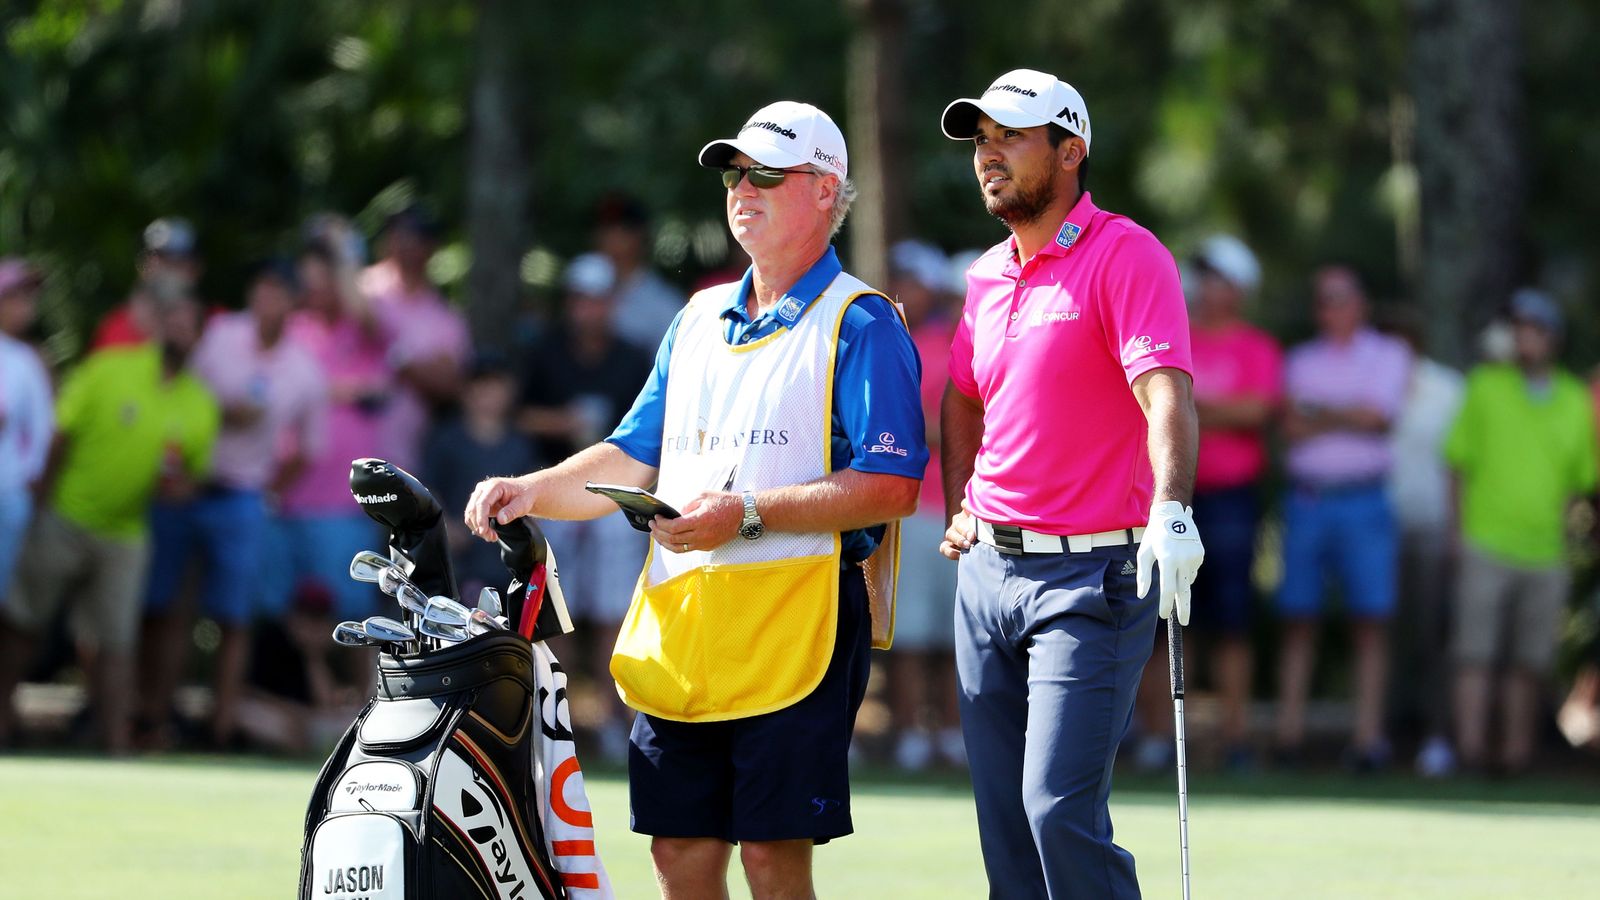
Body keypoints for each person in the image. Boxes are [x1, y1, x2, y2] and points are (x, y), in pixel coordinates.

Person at [465, 100, 926, 899]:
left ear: (826, 190)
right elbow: (631, 455)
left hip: (799, 618)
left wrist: (744, 514)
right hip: (686, 621)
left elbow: (893, 486)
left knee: (772, 858)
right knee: (678, 850)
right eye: (735, 174)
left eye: (767, 175)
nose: (743, 189)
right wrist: (531, 490)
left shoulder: (863, 321)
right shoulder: (698, 316)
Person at [936, 69, 1201, 899]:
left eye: (1010, 138)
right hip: (987, 575)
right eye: (981, 141)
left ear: (1070, 150)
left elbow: (1166, 393)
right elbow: (962, 398)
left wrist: (1172, 509)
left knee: (1057, 811)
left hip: (1091, 579)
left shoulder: (1126, 253)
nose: (989, 156)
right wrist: (961, 503)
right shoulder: (987, 275)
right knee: (1007, 832)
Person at [0, 297, 218, 752]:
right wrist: (42, 505)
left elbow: (190, 480)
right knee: (23, 625)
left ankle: (118, 746)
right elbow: (60, 435)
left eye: (188, 326)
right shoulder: (109, 368)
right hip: (66, 516)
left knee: (117, 642)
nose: (178, 332)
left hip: (126, 533)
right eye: (172, 321)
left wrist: (173, 488)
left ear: (200, 337)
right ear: (159, 326)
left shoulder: (200, 403)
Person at [139, 261, 328, 749]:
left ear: (293, 302)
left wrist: (270, 491)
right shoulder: (220, 335)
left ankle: (220, 728)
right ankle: (155, 718)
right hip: (188, 487)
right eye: (261, 291)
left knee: (235, 617)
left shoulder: (304, 369)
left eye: (278, 293)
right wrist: (220, 413)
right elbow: (177, 389)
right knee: (169, 608)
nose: (267, 302)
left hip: (243, 497)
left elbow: (309, 448)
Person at [1133, 235, 1280, 773]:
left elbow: (1255, 411)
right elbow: (1151, 404)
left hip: (1232, 499)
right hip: (1168, 496)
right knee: (1162, 616)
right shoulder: (1175, 334)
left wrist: (1184, 409)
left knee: (1231, 620)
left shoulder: (1256, 346)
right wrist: (1192, 410)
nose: (1203, 285)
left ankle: (1234, 737)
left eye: (1216, 276)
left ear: (1239, 288)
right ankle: (1160, 737)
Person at [1443, 288, 1597, 776]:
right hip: (1484, 543)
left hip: (1545, 551)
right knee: (1475, 654)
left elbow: (1580, 482)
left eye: (1533, 329)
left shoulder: (1572, 398)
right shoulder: (1485, 386)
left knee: (1529, 662)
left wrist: (1565, 533)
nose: (1523, 339)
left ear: (1552, 338)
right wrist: (1456, 534)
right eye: (1518, 330)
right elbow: (1457, 466)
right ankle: (1470, 752)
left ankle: (1515, 757)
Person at [516, 252, 654, 761]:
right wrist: (565, 422)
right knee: (559, 613)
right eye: (580, 299)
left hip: (616, 503)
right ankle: (563, 720)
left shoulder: (633, 356)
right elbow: (519, 415)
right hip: (556, 499)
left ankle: (617, 720)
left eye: (597, 300)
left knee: (614, 611)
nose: (588, 309)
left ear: (610, 303)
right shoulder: (544, 352)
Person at [1273, 266, 1411, 770]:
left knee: (1370, 622)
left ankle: (1367, 741)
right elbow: (1292, 426)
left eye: (1341, 298)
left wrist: (1320, 413)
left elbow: (1379, 418)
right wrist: (1346, 414)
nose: (1331, 308)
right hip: (1308, 500)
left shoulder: (1389, 354)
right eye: (1324, 300)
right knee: (1298, 619)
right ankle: (1288, 738)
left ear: (1362, 304)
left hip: (1364, 500)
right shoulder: (1300, 359)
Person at [261, 232, 390, 693]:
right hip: (287, 493)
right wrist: (346, 390)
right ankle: (306, 704)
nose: (316, 288)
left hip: (343, 499)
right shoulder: (291, 329)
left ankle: (367, 709)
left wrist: (342, 257)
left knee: (354, 611)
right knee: (288, 613)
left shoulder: (365, 328)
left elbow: (375, 331)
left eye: (326, 277)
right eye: (309, 280)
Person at [883, 238, 965, 770]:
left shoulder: (983, 344)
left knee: (962, 634)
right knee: (910, 632)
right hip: (914, 507)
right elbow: (907, 426)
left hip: (969, 510)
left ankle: (956, 733)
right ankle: (913, 733)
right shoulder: (918, 344)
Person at [1378, 307, 1465, 776]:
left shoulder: (1448, 388)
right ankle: (1380, 736)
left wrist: (1457, 532)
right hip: (1375, 527)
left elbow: (1461, 467)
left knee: (1434, 636)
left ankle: (1437, 737)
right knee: (1380, 635)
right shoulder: (1366, 383)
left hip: (1432, 526)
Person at [360, 205, 470, 472]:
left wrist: (403, 362)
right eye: (397, 232)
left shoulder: (443, 317)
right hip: (338, 455)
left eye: (413, 235)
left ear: (430, 246)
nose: (403, 242)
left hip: (398, 461)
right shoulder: (361, 289)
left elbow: (451, 384)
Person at [424, 355, 537, 599]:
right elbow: (427, 487)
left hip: (509, 557)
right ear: (464, 390)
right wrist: (444, 526)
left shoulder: (520, 444)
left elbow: (534, 494)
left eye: (496, 385)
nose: (488, 394)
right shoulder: (446, 439)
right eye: (480, 385)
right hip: (460, 558)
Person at [592, 193, 686, 349]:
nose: (611, 238)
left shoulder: (663, 303)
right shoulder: (583, 294)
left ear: (640, 236)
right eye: (605, 229)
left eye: (622, 230)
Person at [92, 217, 204, 349]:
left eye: (178, 261)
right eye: (155, 258)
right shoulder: (114, 328)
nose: (166, 270)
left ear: (196, 268)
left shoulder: (219, 326)